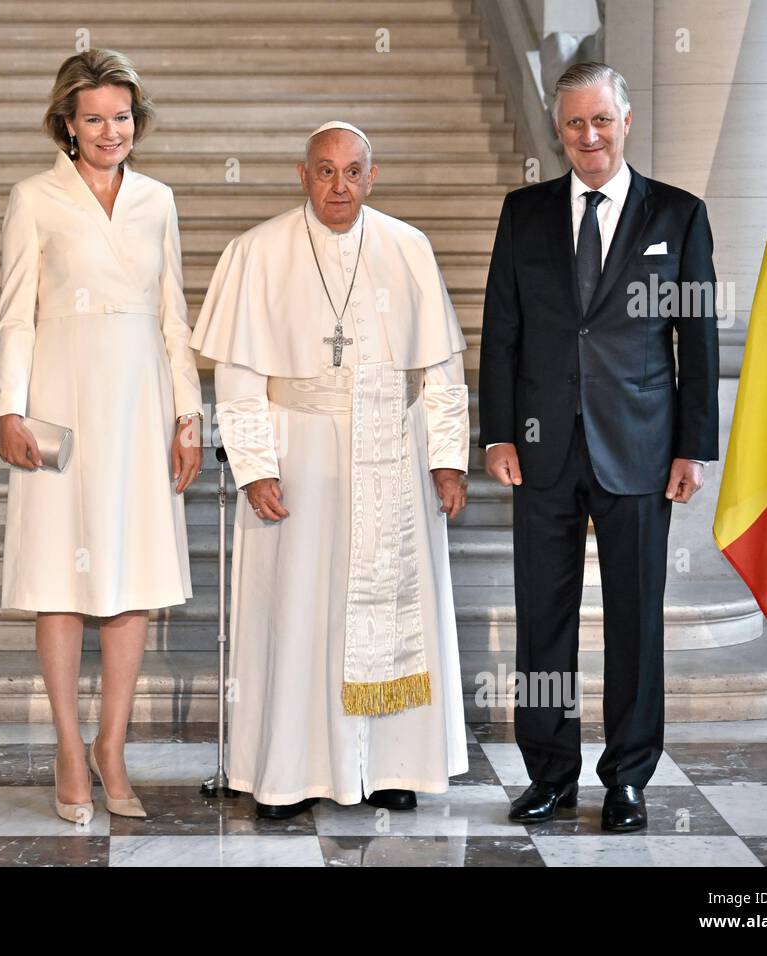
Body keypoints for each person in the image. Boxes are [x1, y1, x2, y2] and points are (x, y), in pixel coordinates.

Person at [191, 121, 471, 820]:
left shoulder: (409, 248)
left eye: (352, 172)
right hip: (299, 453)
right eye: (325, 171)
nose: (339, 186)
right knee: (298, 611)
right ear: (302, 173)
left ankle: (393, 765)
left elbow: (440, 370)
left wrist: (447, 460)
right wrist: (253, 465)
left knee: (392, 609)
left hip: (392, 450)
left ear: (372, 178)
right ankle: (289, 772)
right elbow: (238, 374)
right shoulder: (257, 252)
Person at [478, 62, 720, 832]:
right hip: (544, 451)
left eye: (602, 121)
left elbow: (698, 340)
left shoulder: (678, 215)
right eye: (576, 124)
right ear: (559, 129)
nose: (590, 137)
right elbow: (502, 332)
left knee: (635, 621)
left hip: (642, 450)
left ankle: (627, 780)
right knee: (543, 622)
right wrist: (499, 432)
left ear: (626, 120)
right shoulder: (524, 214)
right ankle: (549, 774)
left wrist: (692, 447)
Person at [0, 49, 204, 824]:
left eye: (122, 117)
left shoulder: (158, 200)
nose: (110, 131)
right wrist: (8, 410)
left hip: (140, 402)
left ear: (135, 122)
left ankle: (111, 746)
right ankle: (68, 750)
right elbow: (17, 312)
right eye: (94, 119)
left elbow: (175, 315)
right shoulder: (34, 198)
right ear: (67, 125)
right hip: (61, 400)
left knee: (133, 574)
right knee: (59, 578)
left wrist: (189, 416)